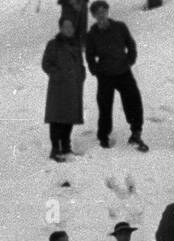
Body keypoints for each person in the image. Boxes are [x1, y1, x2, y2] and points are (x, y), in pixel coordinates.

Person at [85, 1, 146, 150]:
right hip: (105, 76)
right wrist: (96, 71)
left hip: (123, 72)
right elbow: (90, 56)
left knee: (133, 101)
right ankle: (103, 136)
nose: (101, 15)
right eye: (97, 13)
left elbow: (130, 44)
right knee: (105, 106)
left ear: (107, 12)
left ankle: (136, 132)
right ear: (93, 15)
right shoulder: (91, 35)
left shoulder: (120, 27)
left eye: (103, 11)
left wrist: (130, 60)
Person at [42, 16, 86, 161]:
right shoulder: (53, 44)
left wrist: (81, 74)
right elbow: (46, 64)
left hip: (73, 88)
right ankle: (55, 149)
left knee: (69, 117)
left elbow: (80, 64)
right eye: (66, 27)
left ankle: (66, 146)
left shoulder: (76, 46)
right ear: (61, 28)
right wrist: (58, 74)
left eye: (71, 27)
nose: (68, 29)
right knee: (56, 118)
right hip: (58, 88)